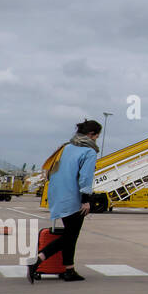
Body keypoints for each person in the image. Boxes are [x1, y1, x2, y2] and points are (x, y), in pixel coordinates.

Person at [30, 119, 101, 283]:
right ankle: (39, 260)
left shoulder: (65, 147)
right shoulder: (89, 152)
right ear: (91, 135)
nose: (97, 139)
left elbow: (51, 171)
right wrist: (85, 200)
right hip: (73, 197)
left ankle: (69, 269)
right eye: (97, 136)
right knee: (70, 236)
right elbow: (85, 177)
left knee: (70, 234)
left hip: (57, 195)